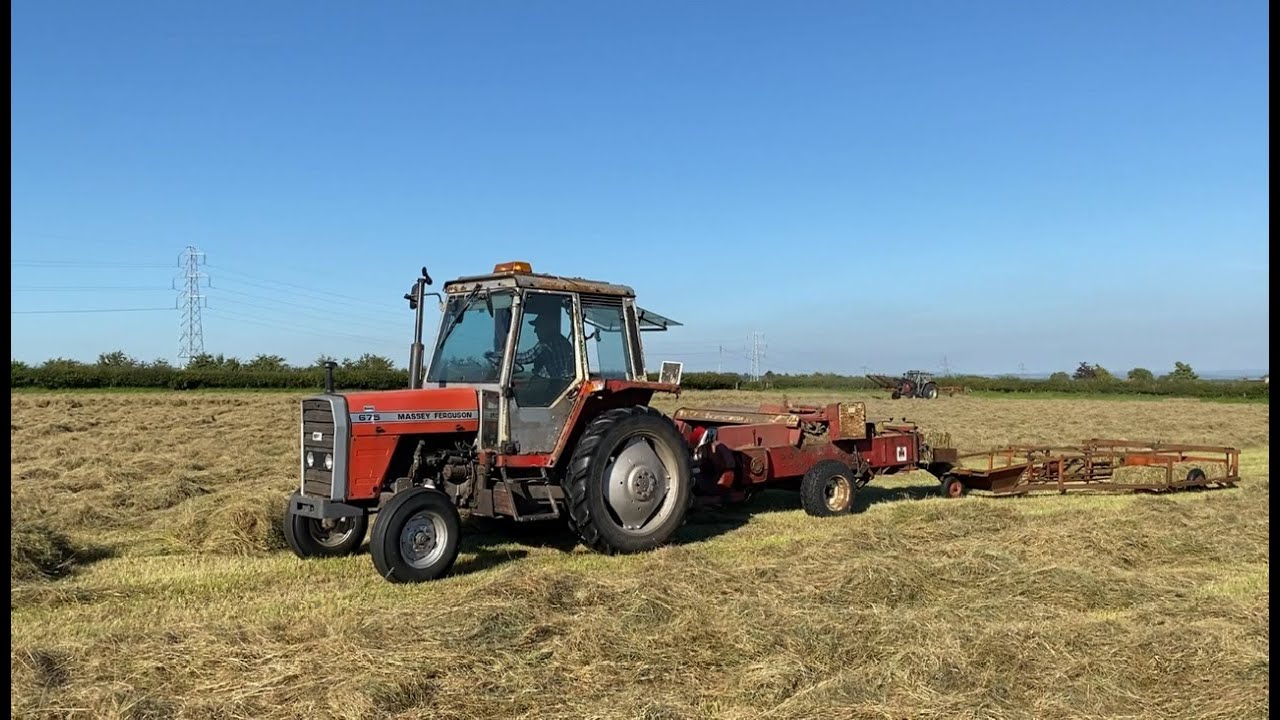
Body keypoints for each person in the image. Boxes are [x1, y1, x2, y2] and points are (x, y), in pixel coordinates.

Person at [514, 310, 575, 379]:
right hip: (563, 382)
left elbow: (525, 358)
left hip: (556, 384)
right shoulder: (564, 342)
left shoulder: (546, 344)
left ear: (546, 327)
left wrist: (507, 356)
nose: (535, 331)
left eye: (538, 326)